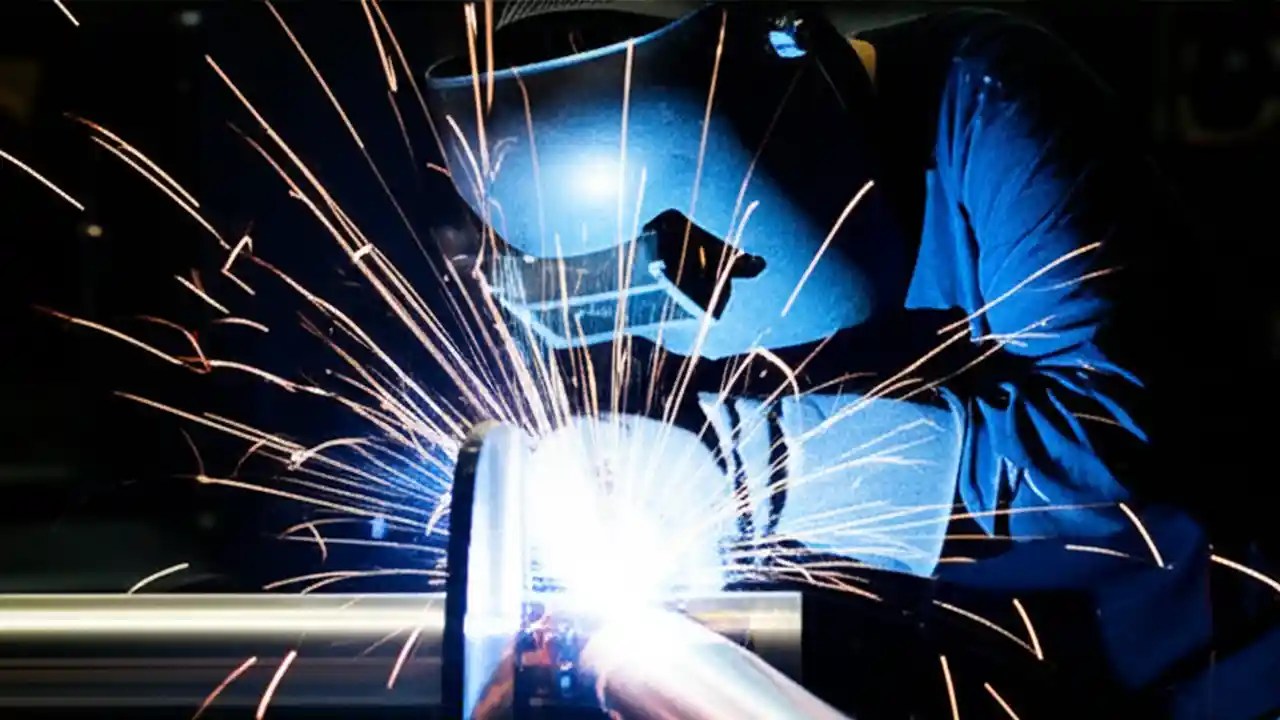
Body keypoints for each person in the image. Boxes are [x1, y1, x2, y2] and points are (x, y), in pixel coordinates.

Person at [426, 4, 1277, 716]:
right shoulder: (568, 236)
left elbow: (1115, 452)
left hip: (1204, 673)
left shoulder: (989, 102)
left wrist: (747, 473)